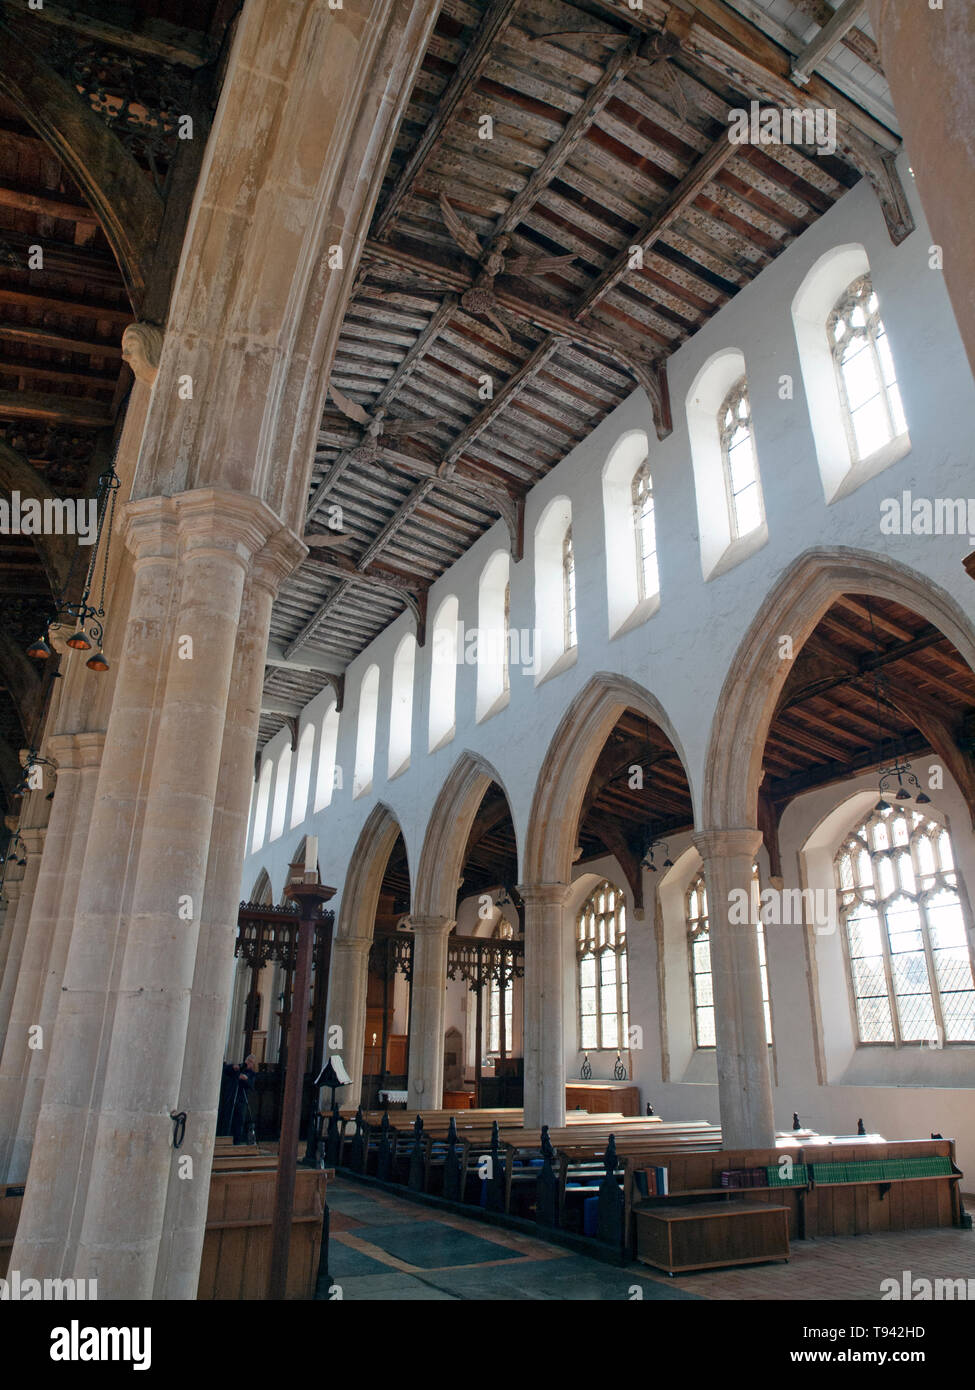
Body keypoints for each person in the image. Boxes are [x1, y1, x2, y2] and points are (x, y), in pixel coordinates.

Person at [224, 1054, 258, 1144]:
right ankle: (225, 1138)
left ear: (253, 1065)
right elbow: (226, 1070)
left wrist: (246, 1079)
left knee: (239, 1121)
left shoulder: (252, 1074)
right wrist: (233, 1067)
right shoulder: (239, 1067)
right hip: (231, 1097)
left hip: (241, 1099)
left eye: (251, 1062)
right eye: (248, 1060)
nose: (248, 1063)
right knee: (228, 1118)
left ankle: (237, 1141)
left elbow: (251, 1086)